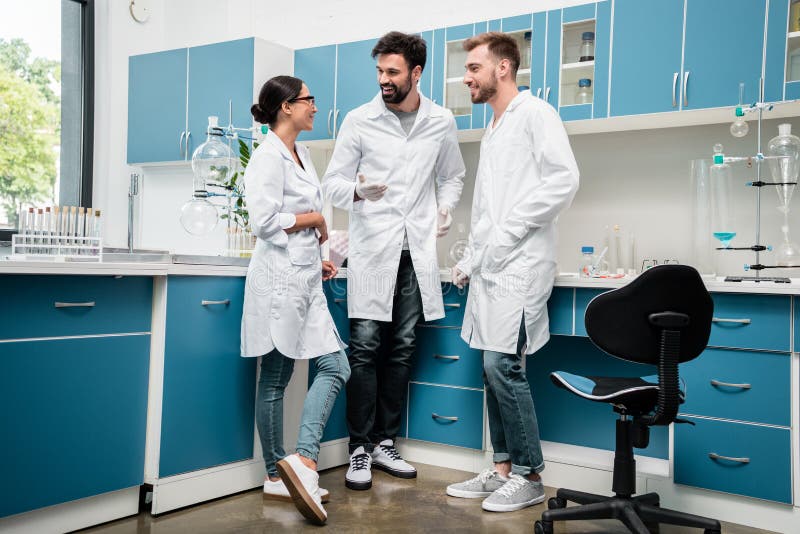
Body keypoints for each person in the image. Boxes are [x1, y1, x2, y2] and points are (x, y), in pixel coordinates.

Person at [322, 31, 465, 491]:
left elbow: (453, 176)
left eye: (392, 72)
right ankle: (359, 449)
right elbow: (333, 183)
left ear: (416, 72)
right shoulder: (360, 120)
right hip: (373, 249)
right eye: (380, 71)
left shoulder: (441, 120)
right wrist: (359, 192)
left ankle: (385, 443)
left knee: (401, 347)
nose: (383, 79)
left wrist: (445, 207)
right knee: (364, 346)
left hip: (415, 251)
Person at [447, 32, 579, 512]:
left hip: (521, 264)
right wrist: (470, 259)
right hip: (492, 268)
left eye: (475, 69)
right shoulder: (496, 127)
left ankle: (530, 474)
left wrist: (506, 236)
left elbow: (563, 180)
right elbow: (487, 210)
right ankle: (502, 468)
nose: (467, 78)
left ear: (503, 68)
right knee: (490, 367)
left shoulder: (536, 114)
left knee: (503, 366)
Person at [241, 75, 351, 526]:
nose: (315, 107)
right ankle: (274, 474)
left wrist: (322, 254)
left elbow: (302, 223)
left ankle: (303, 461)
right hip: (278, 279)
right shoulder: (266, 157)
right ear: (286, 106)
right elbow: (264, 222)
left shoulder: (303, 154)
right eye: (309, 100)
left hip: (307, 278)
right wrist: (316, 218)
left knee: (335, 365)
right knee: (277, 376)